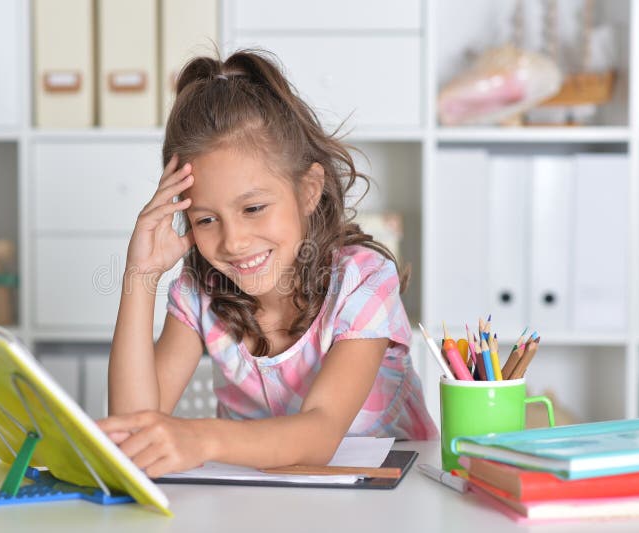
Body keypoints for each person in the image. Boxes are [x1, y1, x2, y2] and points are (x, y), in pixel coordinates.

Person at [97, 50, 438, 478]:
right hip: (259, 503)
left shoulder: (363, 283)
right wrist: (140, 276)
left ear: (309, 190)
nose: (234, 241)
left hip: (393, 498)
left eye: (254, 208)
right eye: (206, 219)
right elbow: (134, 432)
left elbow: (320, 433)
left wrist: (200, 438)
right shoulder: (198, 292)